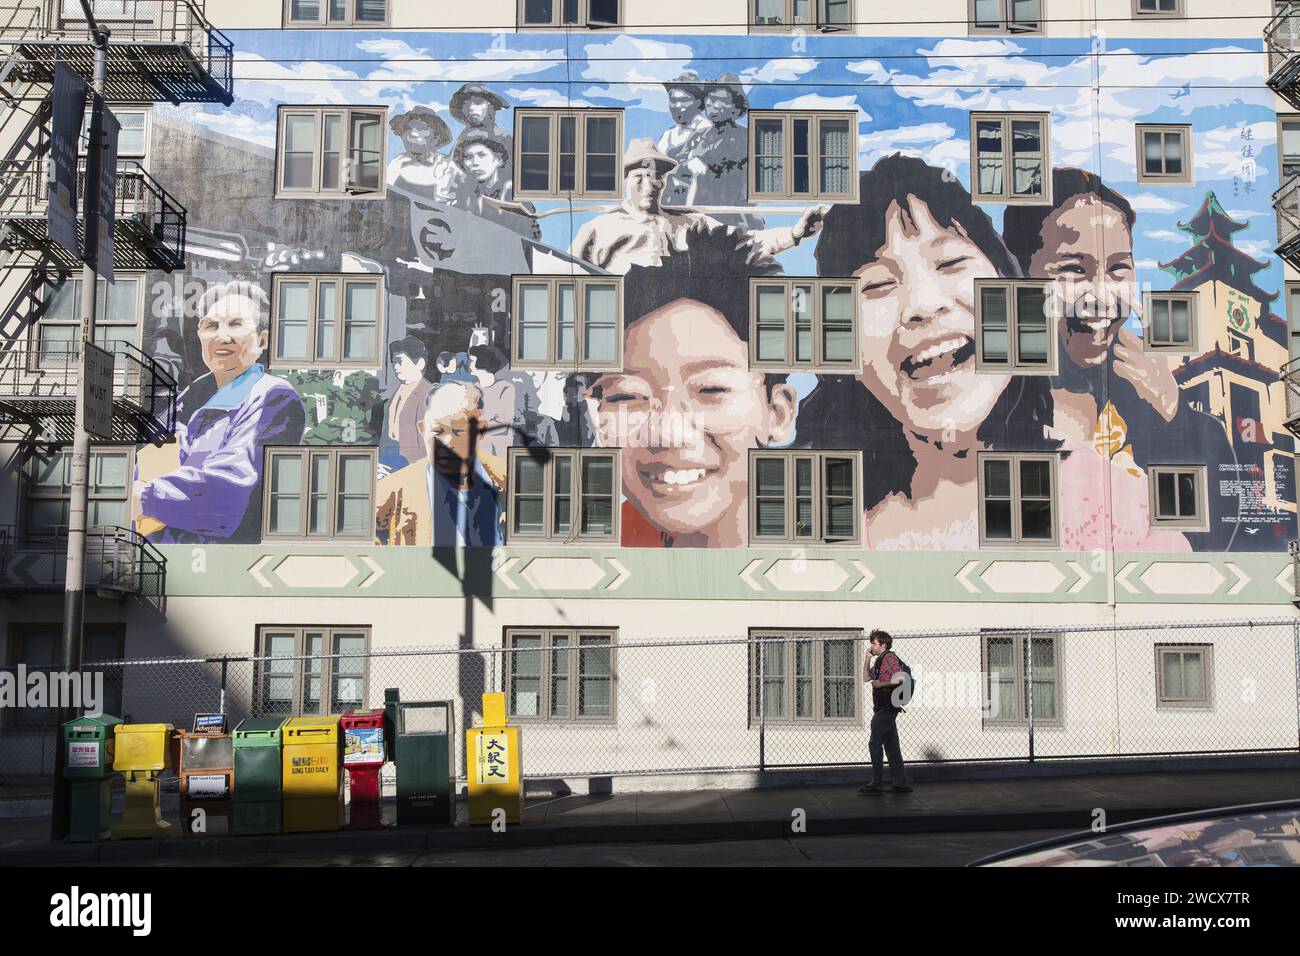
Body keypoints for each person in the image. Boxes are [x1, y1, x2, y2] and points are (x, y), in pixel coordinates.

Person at [802, 154, 1189, 552]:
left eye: (950, 261)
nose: (922, 303)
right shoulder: (807, 509)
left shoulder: (1122, 514)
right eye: (877, 285)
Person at [1003, 168, 1240, 550]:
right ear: (1018, 276)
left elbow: (1209, 540)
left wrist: (1174, 417)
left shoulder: (1150, 399)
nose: (1102, 295)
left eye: (1118, 269)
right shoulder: (988, 402)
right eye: (1073, 269)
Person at [589, 224, 796, 547]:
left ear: (778, 413)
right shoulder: (598, 554)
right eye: (628, 396)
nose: (666, 434)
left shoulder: (824, 562)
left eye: (711, 390)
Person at [134, 281, 306, 543]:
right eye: (212, 326)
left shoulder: (273, 397)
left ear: (262, 340)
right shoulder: (186, 401)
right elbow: (141, 468)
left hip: (224, 564)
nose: (222, 336)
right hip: (161, 553)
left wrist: (143, 498)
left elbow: (225, 493)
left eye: (236, 324)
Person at [570, 138, 826, 275]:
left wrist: (794, 234)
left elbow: (744, 242)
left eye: (657, 177)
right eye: (640, 178)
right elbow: (567, 278)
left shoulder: (689, 223)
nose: (650, 185)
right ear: (626, 181)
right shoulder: (599, 228)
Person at [422, 381, 506, 546]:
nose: (447, 442)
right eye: (438, 431)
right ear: (422, 429)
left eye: (458, 430)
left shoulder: (507, 480)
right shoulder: (395, 494)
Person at [685, 73, 753, 217]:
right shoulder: (698, 136)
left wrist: (702, 164)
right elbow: (682, 169)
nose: (711, 105)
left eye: (718, 100)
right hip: (699, 212)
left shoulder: (746, 137)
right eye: (708, 100)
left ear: (736, 106)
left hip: (733, 212)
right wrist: (690, 163)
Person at [454, 128, 539, 239]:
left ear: (498, 160)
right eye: (468, 157)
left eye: (482, 155)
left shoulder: (510, 193)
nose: (474, 163)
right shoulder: (466, 193)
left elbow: (529, 236)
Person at [860, 630, 911, 795]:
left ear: (883, 644)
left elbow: (902, 678)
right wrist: (867, 658)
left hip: (886, 709)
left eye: (874, 643)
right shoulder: (881, 660)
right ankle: (901, 784)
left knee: (875, 744)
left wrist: (881, 684)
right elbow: (866, 678)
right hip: (886, 708)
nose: (871, 646)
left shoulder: (889, 657)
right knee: (891, 746)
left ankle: (876, 783)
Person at [656, 70, 712, 207]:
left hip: (696, 198)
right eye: (673, 101)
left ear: (698, 103)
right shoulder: (668, 134)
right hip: (669, 195)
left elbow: (699, 168)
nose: (677, 106)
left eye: (683, 101)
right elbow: (658, 164)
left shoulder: (706, 129)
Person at [387, 106, 464, 203]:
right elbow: (387, 192)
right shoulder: (398, 162)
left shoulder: (446, 167)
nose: (413, 134)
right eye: (408, 129)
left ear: (436, 138)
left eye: (421, 129)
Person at [384, 336, 434, 468]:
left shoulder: (428, 393)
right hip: (392, 452)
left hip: (414, 460)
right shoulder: (399, 390)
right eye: (393, 362)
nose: (395, 366)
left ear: (420, 364)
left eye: (400, 361)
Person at [467, 343, 521, 458]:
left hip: (498, 448)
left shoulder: (506, 388)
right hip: (475, 448)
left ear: (482, 362)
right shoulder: (472, 388)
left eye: (471, 361)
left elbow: (503, 423)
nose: (468, 364)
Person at [449, 83, 513, 178]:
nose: (471, 108)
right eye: (466, 104)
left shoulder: (505, 137)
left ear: (491, 106)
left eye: (478, 102)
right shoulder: (462, 138)